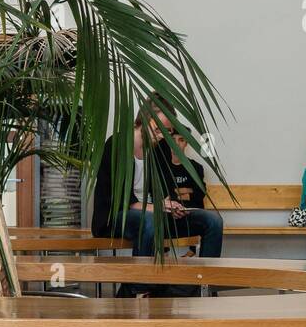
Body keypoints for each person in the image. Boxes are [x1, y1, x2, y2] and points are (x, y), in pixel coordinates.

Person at [90, 95, 223, 260]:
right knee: (149, 220)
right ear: (144, 120)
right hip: (118, 217)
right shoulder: (117, 144)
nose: (162, 136)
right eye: (158, 129)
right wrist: (160, 208)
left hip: (155, 217)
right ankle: (139, 285)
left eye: (167, 131)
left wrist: (172, 205)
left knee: (213, 221)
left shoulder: (160, 148)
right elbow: (124, 201)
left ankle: (204, 283)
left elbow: (165, 187)